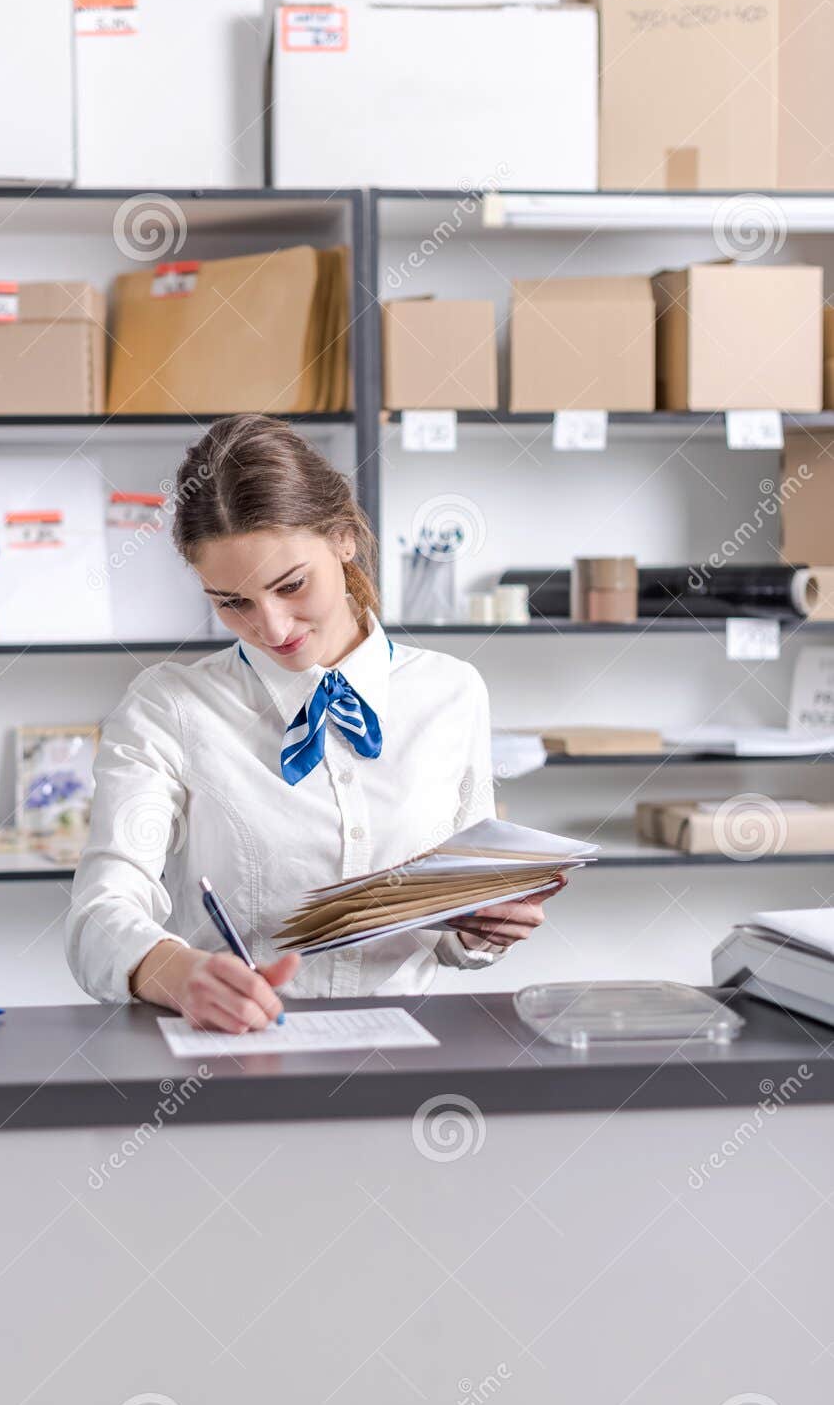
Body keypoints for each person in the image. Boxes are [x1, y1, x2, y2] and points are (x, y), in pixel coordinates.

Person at [65, 413, 565, 1031]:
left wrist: (483, 929)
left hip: (408, 1052)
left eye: (292, 585)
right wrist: (176, 973)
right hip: (232, 1052)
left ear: (344, 538)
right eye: (232, 602)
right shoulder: (169, 706)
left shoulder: (452, 692)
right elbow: (98, 913)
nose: (272, 628)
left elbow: (451, 930)